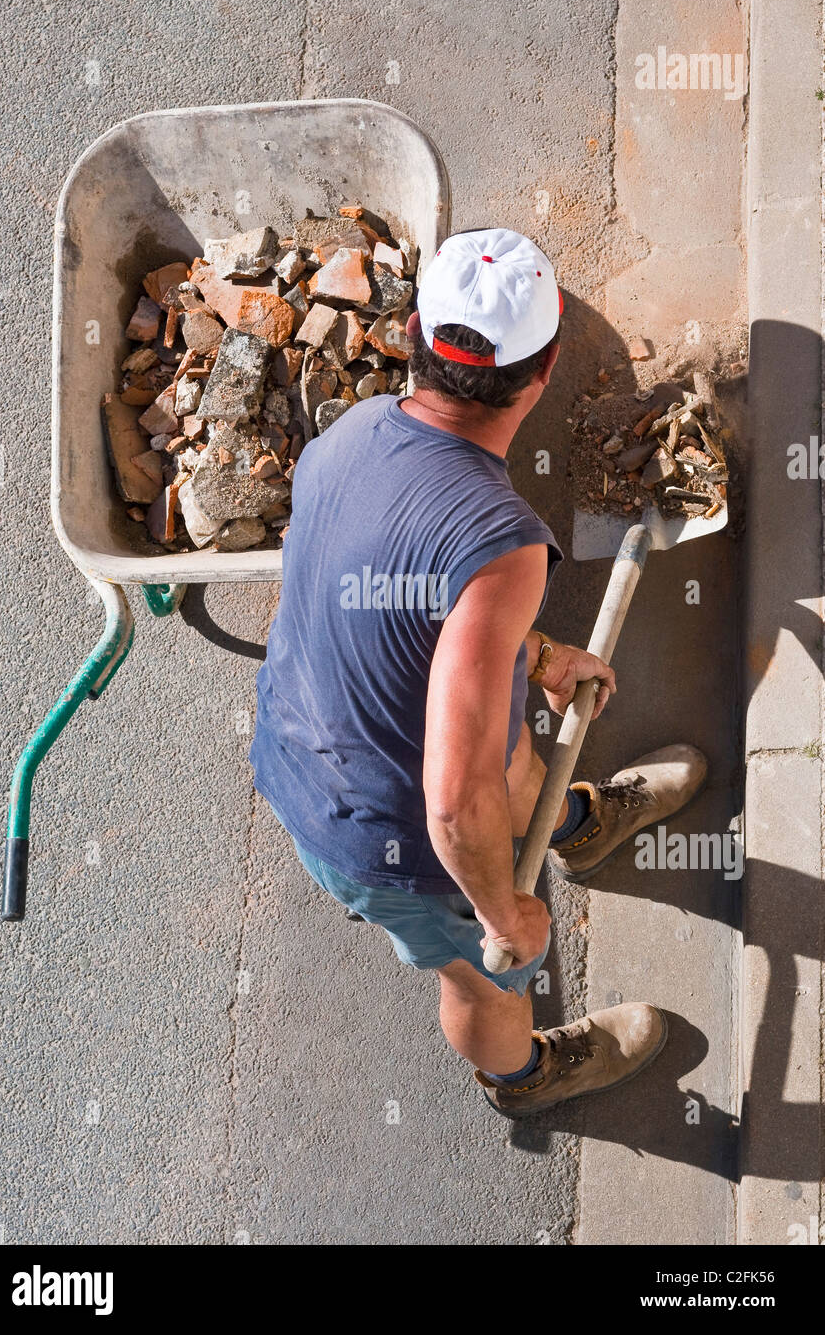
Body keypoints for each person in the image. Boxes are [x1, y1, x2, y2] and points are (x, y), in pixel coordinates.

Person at [250, 228, 706, 1116]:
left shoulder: (349, 436)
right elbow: (455, 804)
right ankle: (523, 1076)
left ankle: (575, 826)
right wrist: (505, 917)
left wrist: (530, 653)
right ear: (543, 373)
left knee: (515, 765)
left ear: (415, 334)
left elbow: (388, 600)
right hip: (385, 832)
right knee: (489, 980)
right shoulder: (500, 547)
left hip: (303, 739)